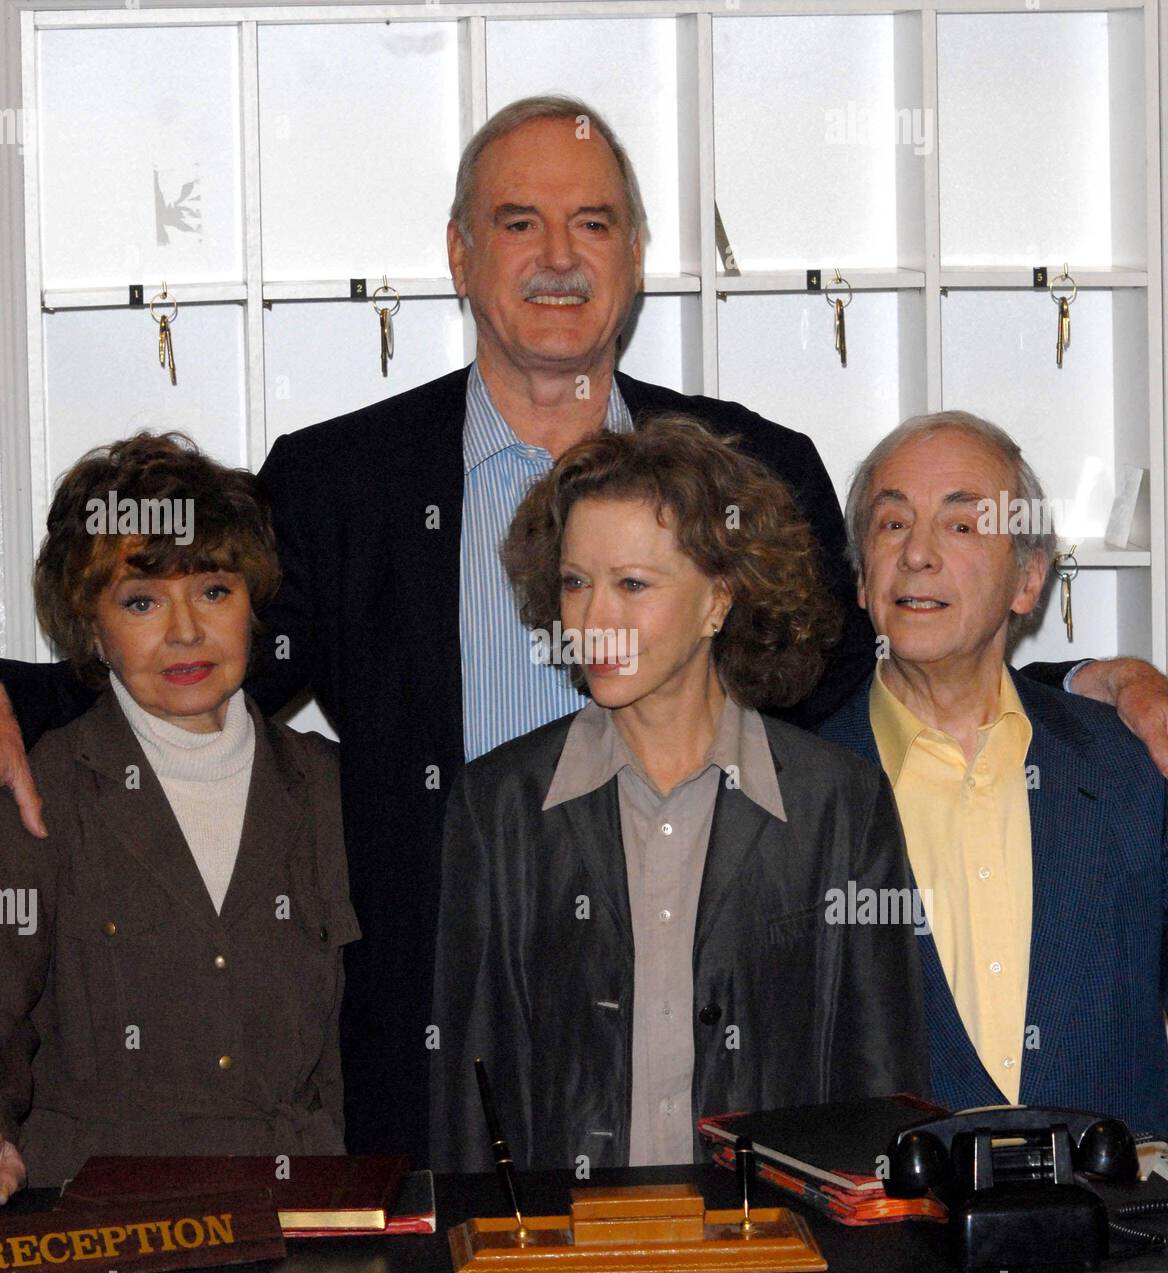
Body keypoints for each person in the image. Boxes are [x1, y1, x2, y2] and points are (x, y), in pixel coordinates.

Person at [1, 98, 1165, 1165]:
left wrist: (1066, 681)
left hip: (728, 1058)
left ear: (635, 258)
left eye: (592, 223)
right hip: (447, 1049)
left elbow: (869, 673)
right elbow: (195, 661)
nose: (558, 256)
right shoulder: (337, 481)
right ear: (460, 254)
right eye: (519, 222)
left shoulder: (757, 470)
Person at [430, 416, 929, 1173]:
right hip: (565, 1268)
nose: (595, 620)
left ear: (719, 601)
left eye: (632, 584)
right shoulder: (500, 805)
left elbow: (882, 1081)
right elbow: (470, 1088)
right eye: (575, 583)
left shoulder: (838, 804)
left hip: (776, 1257)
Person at [0, 434, 360, 1200]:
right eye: (141, 602)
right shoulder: (45, 791)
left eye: (214, 591)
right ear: (89, 627)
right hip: (97, 1218)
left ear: (253, 604)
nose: (186, 631)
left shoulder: (330, 787)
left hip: (304, 1216)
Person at [818, 412, 1168, 1134]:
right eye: (890, 525)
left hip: (1128, 1236)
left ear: (1029, 579)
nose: (917, 555)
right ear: (861, 581)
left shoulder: (1133, 769)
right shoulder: (794, 795)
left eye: (962, 526)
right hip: (889, 1240)